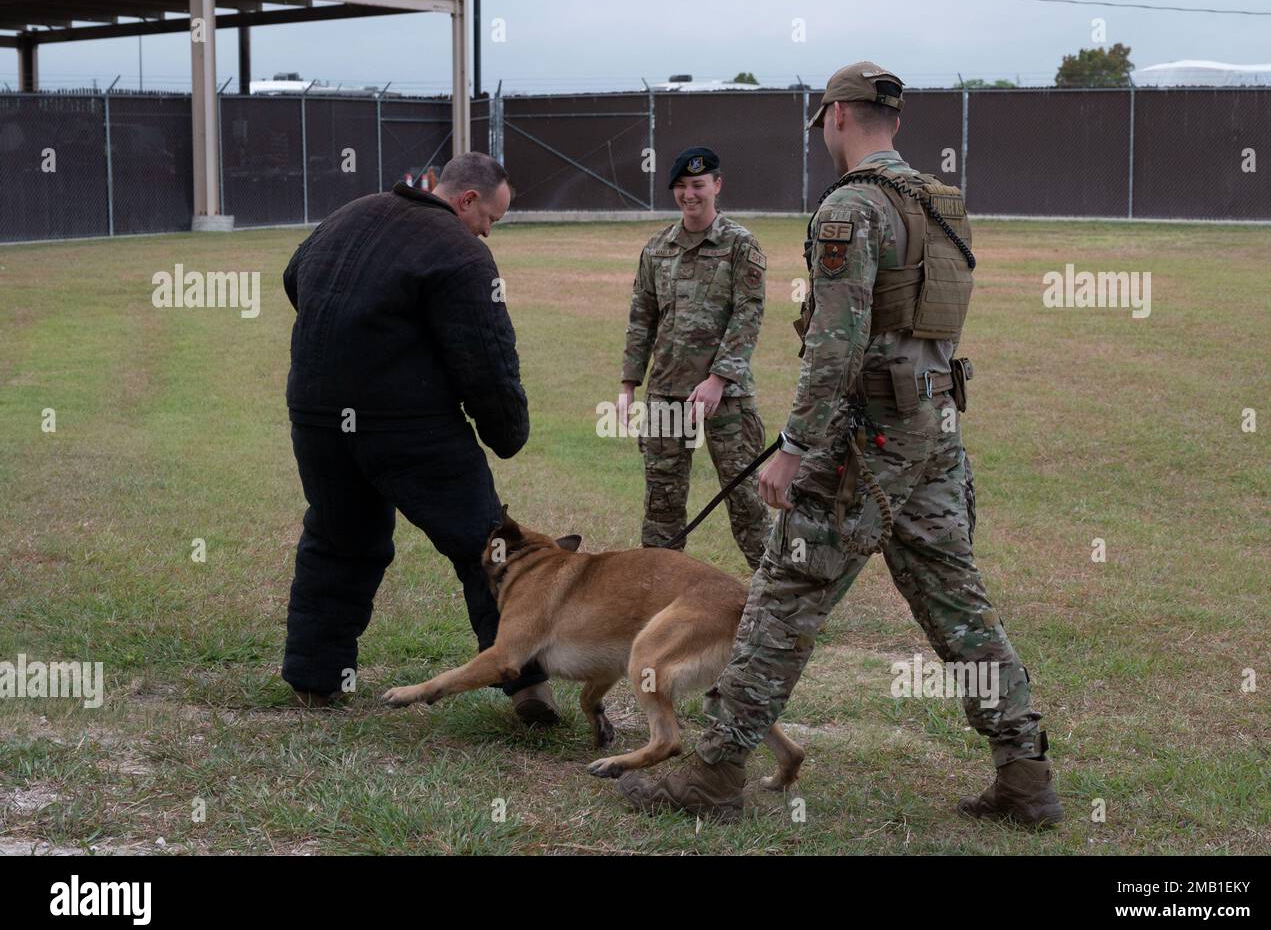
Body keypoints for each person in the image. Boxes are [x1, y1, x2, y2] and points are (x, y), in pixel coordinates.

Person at [619, 64, 1064, 827]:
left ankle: (716, 773)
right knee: (960, 606)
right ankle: (1025, 777)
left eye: (823, 119)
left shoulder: (849, 209)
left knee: (781, 600)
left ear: (835, 118)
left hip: (866, 440)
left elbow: (836, 343)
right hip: (933, 428)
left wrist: (795, 443)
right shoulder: (941, 201)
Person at [281, 151, 559, 725]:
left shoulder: (347, 215)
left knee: (338, 540)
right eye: (491, 219)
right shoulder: (461, 253)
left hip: (316, 414)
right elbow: (486, 358)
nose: (488, 231)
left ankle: (316, 680)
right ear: (467, 201)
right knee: (489, 548)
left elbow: (295, 279)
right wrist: (506, 432)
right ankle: (529, 686)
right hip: (407, 425)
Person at [619, 146, 770, 571]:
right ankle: (656, 593)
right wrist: (628, 387)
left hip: (728, 399)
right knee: (662, 503)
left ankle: (778, 600)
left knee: (746, 501)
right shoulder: (657, 248)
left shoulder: (740, 245)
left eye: (698, 185)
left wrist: (719, 380)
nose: (690, 194)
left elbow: (748, 314)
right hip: (666, 395)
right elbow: (641, 319)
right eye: (682, 187)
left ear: (717, 186)